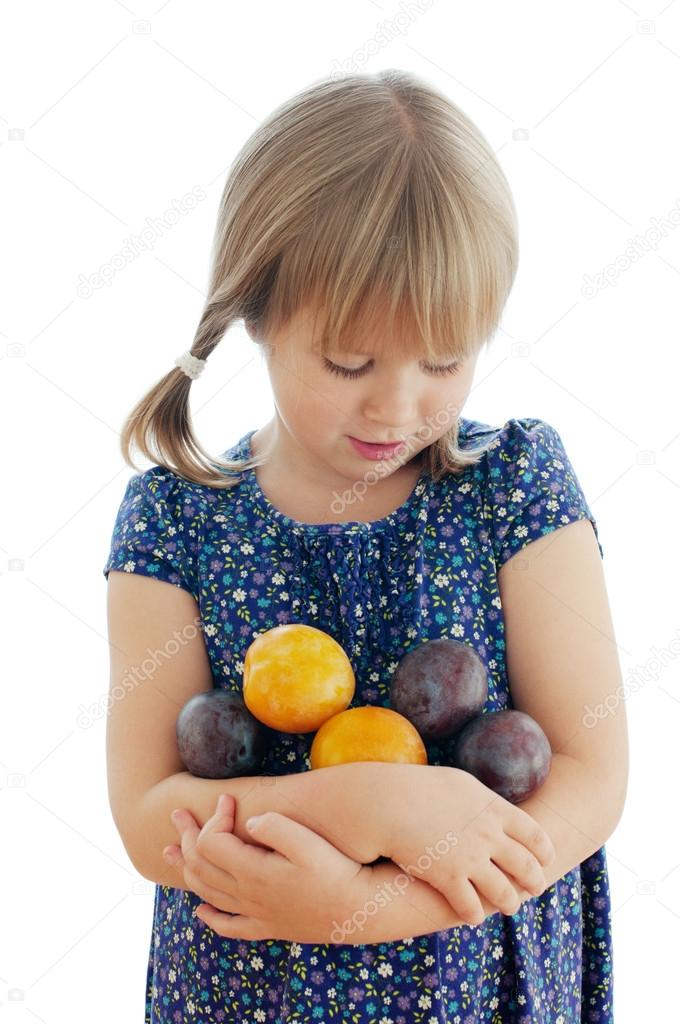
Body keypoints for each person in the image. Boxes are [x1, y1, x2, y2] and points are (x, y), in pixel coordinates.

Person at [103, 69, 628, 1023]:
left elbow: (591, 780)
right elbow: (150, 816)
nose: (398, 407)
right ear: (254, 317)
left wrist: (366, 909)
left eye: (444, 360)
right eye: (349, 363)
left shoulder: (515, 484)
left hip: (480, 983)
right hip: (245, 997)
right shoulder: (173, 522)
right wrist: (374, 807)